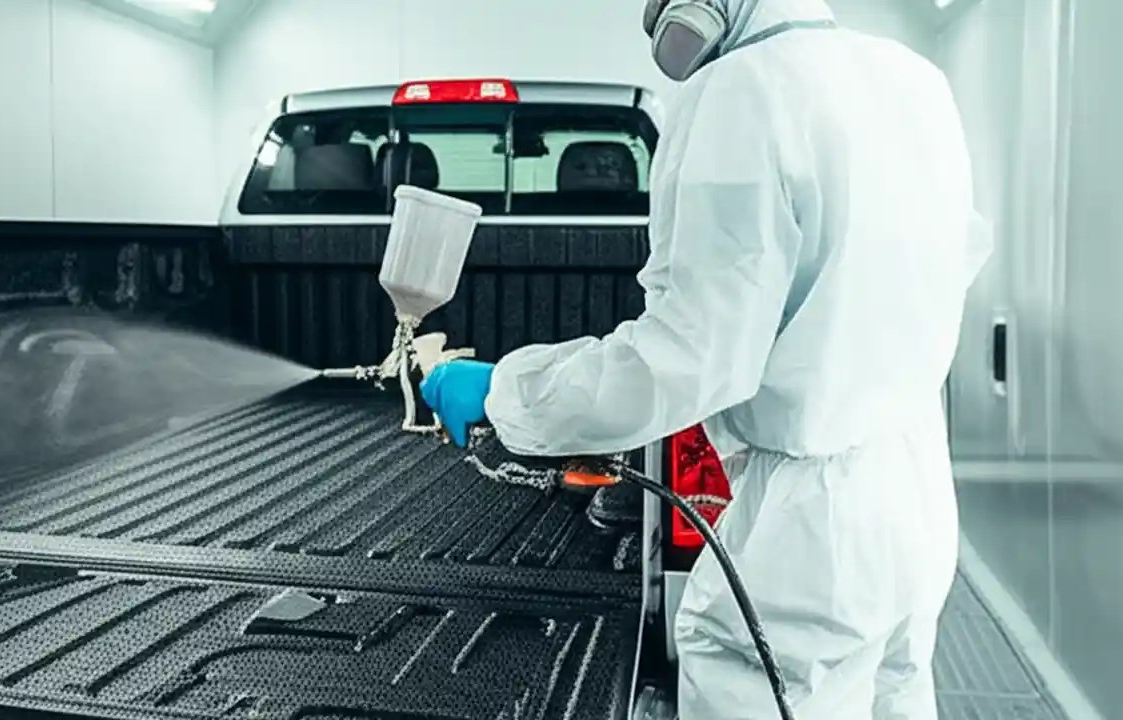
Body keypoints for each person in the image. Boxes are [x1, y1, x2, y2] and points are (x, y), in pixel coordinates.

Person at [420, 0, 992, 717]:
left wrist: (508, 394)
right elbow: (955, 259)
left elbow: (688, 357)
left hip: (811, 535)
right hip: (915, 492)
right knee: (893, 695)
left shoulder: (740, 91)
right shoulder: (913, 79)